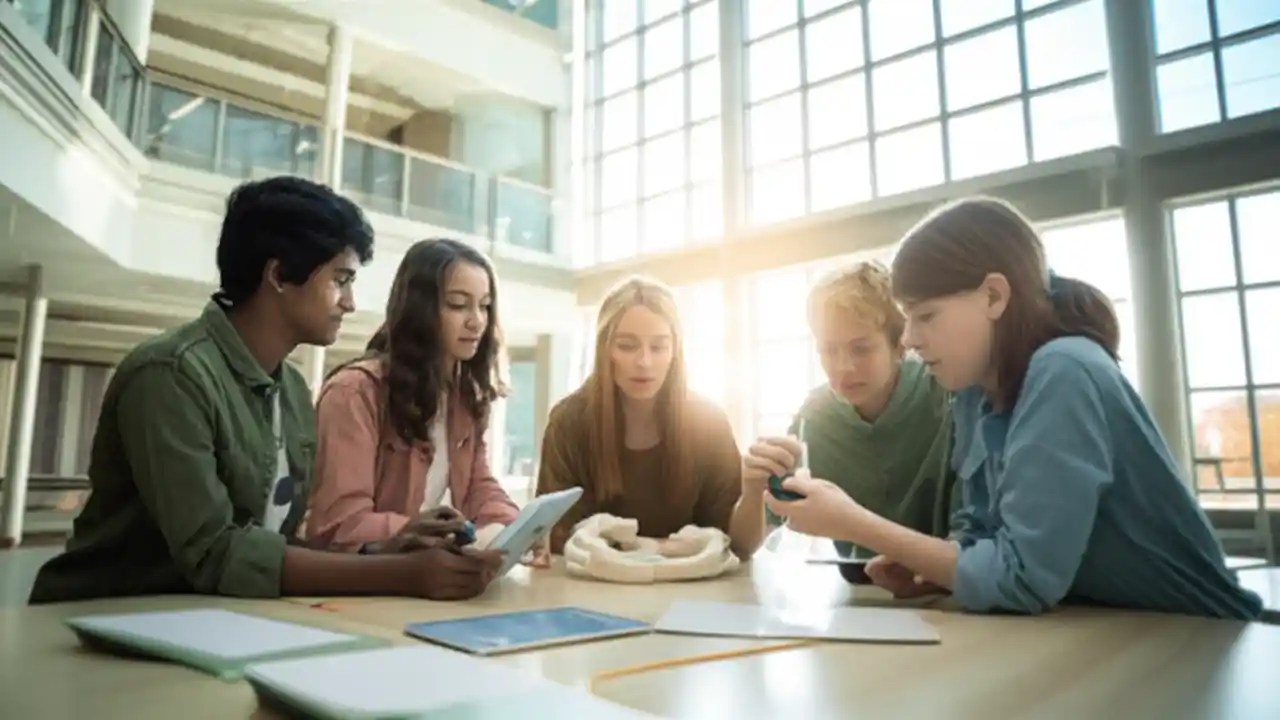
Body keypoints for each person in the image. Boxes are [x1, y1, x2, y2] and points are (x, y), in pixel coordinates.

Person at [766, 197, 1263, 620]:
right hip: (1095, 629)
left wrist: (855, 524)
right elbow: (981, 533)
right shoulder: (973, 390)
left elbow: (1023, 579)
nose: (912, 341)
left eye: (926, 316)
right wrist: (937, 571)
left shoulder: (1064, 371)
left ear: (994, 295)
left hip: (1197, 636)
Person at [30, 177, 502, 604]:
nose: (351, 302)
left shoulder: (291, 390)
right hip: (110, 616)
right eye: (340, 279)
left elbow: (278, 540)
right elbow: (217, 553)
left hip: (218, 617)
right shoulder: (169, 376)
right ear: (278, 275)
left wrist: (391, 547)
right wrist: (401, 573)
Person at [307, 239, 519, 553]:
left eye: (484, 305)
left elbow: (480, 487)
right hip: (357, 587)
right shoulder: (354, 393)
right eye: (458, 305)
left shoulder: (464, 397)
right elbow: (339, 524)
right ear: (420, 308)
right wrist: (419, 531)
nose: (477, 321)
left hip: (417, 582)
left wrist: (516, 526)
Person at [532, 276, 762, 562]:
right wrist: (663, 547)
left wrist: (755, 490)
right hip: (595, 585)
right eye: (627, 346)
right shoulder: (569, 422)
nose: (644, 362)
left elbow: (734, 543)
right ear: (605, 350)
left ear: (675, 352)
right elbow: (556, 536)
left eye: (659, 347)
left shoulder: (708, 421)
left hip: (691, 588)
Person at [744, 262, 956, 558]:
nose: (843, 367)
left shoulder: (944, 395)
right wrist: (753, 490)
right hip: (858, 591)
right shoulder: (815, 418)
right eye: (829, 351)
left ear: (900, 345)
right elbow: (751, 543)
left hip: (950, 586)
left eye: (861, 349)